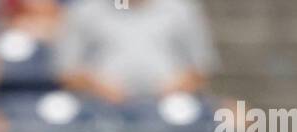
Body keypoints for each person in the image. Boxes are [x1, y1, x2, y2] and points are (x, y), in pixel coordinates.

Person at [56, 0, 217, 107]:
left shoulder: (182, 8)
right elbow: (66, 71)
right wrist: (95, 84)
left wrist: (176, 86)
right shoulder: (84, 10)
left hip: (172, 104)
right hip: (99, 106)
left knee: (232, 117)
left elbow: (202, 68)